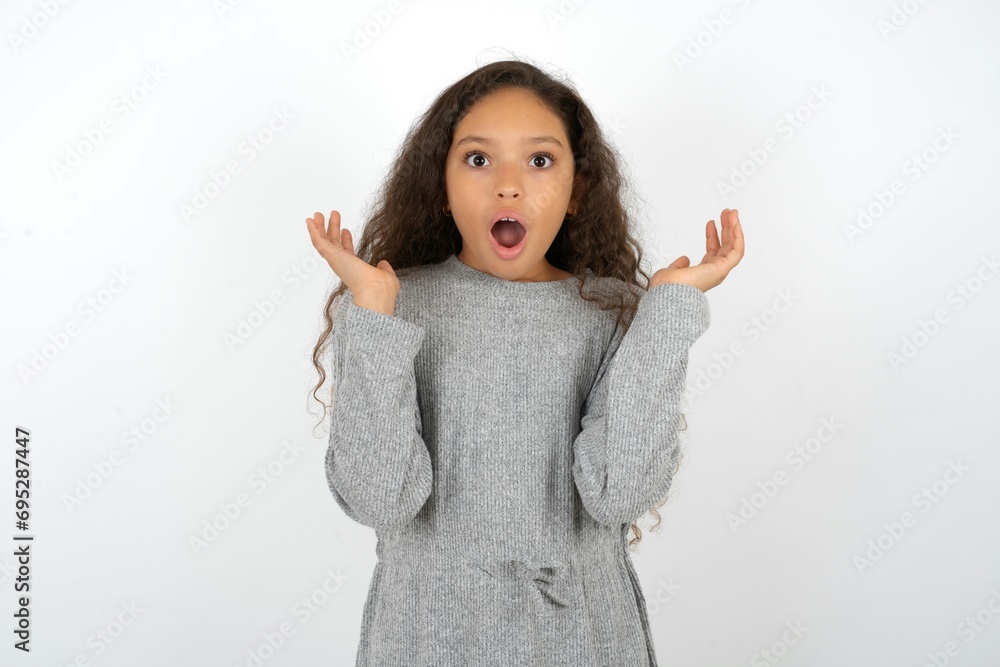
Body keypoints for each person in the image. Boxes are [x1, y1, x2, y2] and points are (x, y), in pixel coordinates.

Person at [305, 58, 744, 667]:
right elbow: (379, 500)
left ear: (576, 191)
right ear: (440, 186)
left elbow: (620, 492)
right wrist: (375, 315)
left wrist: (668, 312)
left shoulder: (614, 313)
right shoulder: (390, 305)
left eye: (540, 160)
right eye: (478, 159)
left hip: (582, 642)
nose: (508, 185)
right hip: (425, 642)